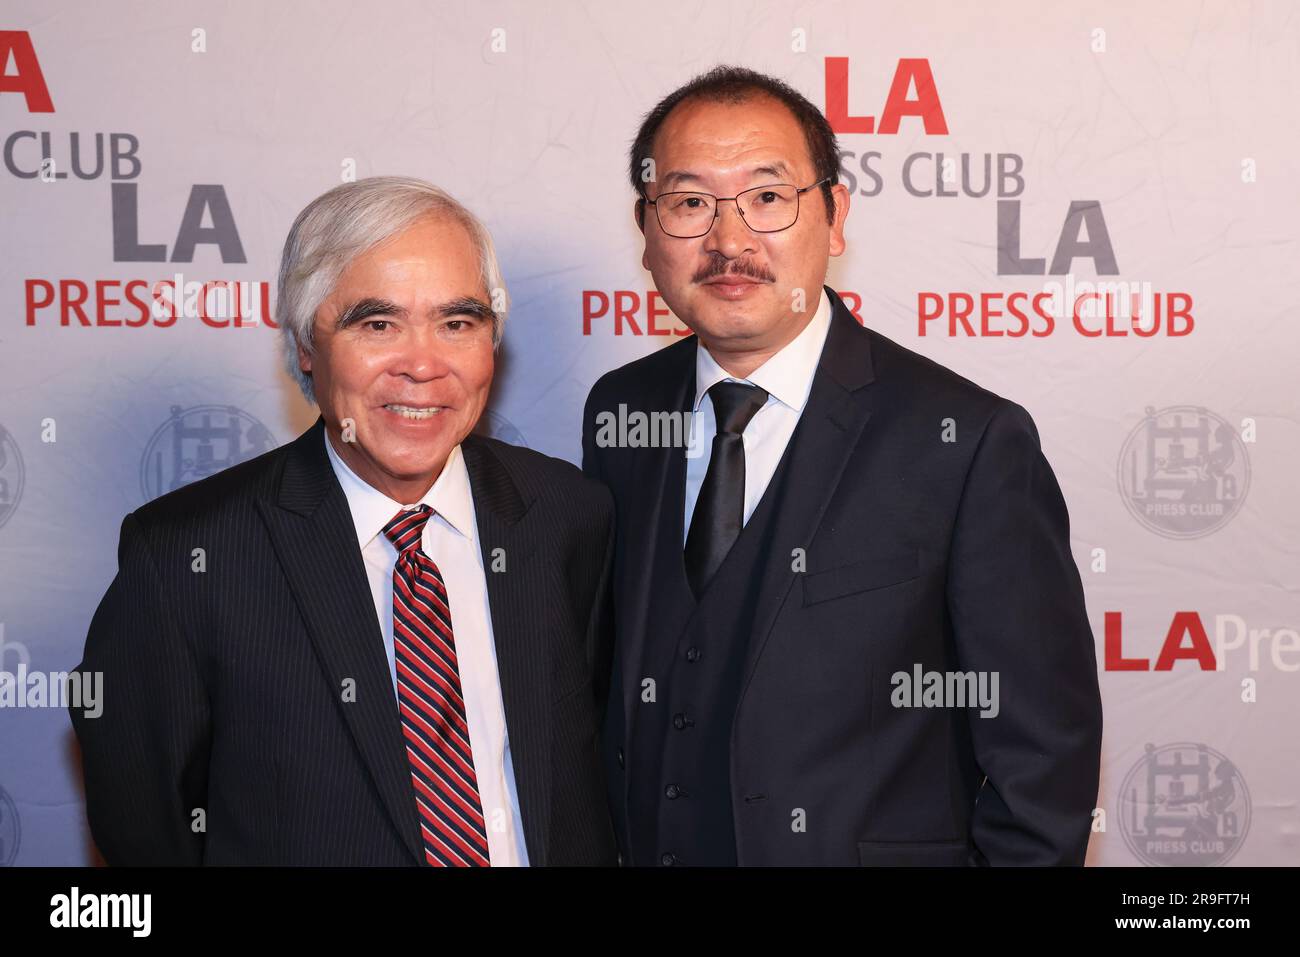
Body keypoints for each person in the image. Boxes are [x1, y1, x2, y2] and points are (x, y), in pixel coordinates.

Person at [582, 67, 1104, 866]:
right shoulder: (620, 411)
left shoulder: (965, 441)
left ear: (834, 215)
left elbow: (1045, 761)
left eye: (767, 197)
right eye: (689, 203)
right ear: (647, 231)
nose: (729, 241)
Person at [71, 176, 617, 866]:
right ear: (306, 345)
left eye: (458, 322)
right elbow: (147, 831)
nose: (423, 364)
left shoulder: (566, 515)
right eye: (376, 323)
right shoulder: (187, 557)